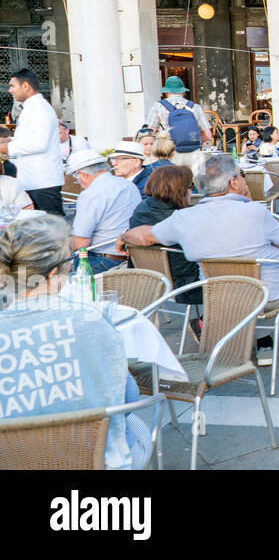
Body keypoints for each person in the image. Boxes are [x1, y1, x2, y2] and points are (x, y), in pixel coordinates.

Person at [121, 153, 279, 358]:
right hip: (266, 295)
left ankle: (265, 346)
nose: (243, 179)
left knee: (254, 282)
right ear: (233, 182)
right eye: (241, 175)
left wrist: (124, 236)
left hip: (221, 296)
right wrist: (250, 200)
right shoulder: (254, 211)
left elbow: (144, 236)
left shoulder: (184, 218)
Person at [0, 215, 154, 469]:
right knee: (134, 424)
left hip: (13, 461)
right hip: (98, 462)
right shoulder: (93, 320)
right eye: (69, 261)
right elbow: (127, 397)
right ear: (53, 272)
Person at [126, 165, 201, 313]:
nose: (192, 190)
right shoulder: (184, 217)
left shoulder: (141, 208)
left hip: (148, 279)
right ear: (181, 190)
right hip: (186, 286)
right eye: (191, 186)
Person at [0, 69, 64, 216]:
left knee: (52, 228)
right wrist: (9, 141)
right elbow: (30, 139)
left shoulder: (40, 109)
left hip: (43, 181)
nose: (10, 90)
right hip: (32, 179)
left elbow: (38, 143)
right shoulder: (31, 108)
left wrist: (6, 147)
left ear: (26, 86)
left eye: (13, 86)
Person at [67, 149, 140, 273]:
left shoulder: (90, 194)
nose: (79, 183)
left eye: (77, 179)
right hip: (134, 259)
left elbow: (80, 243)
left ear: (82, 174)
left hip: (101, 260)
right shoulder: (128, 185)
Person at [146, 75, 212, 172]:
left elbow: (150, 132)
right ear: (183, 91)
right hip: (194, 153)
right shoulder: (195, 107)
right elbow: (208, 135)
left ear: (166, 92)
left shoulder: (158, 107)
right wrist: (193, 142)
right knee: (197, 183)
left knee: (174, 182)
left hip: (170, 152)